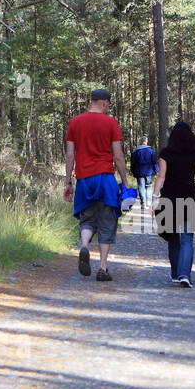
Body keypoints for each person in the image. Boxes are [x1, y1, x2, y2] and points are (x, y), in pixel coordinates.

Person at [63, 89, 130, 282]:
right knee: (107, 221)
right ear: (104, 103)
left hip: (84, 179)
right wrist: (124, 181)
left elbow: (70, 155)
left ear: (91, 101)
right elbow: (117, 155)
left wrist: (68, 181)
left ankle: (84, 245)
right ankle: (102, 268)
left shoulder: (75, 122)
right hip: (105, 178)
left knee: (87, 219)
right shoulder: (110, 122)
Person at [152, 121, 195, 287]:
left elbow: (161, 176)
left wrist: (154, 196)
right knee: (187, 239)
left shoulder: (166, 154)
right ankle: (184, 274)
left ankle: (175, 273)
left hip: (169, 199)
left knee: (172, 236)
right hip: (190, 199)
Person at [129, 135, 159, 209]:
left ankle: (143, 203)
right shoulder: (150, 151)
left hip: (139, 173)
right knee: (148, 186)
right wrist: (157, 171)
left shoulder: (136, 151)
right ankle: (148, 202)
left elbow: (133, 163)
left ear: (140, 142)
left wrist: (132, 171)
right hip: (148, 172)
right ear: (146, 142)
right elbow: (154, 162)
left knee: (141, 187)